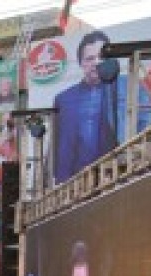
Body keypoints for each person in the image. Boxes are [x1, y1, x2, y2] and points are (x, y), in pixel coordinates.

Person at [53, 31, 117, 182]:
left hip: (118, 176)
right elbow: (57, 146)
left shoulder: (128, 88)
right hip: (77, 182)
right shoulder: (64, 99)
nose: (96, 62)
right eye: (90, 58)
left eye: (101, 57)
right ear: (80, 63)